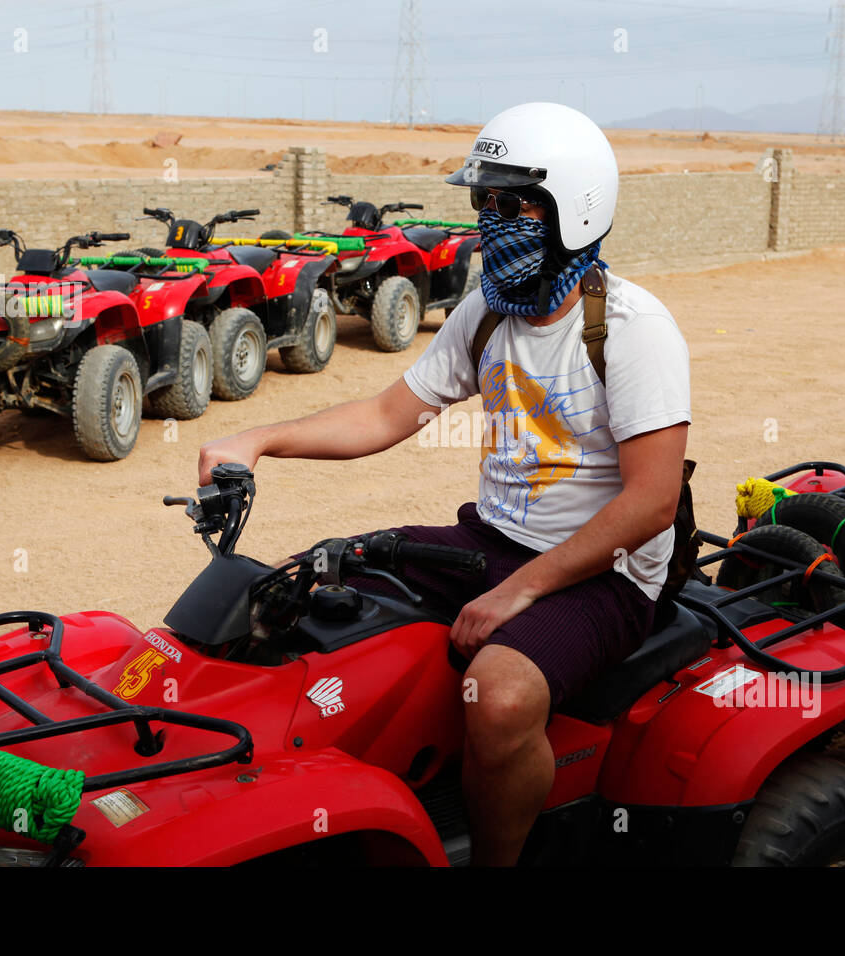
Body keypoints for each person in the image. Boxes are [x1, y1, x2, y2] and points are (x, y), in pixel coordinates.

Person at [197, 102, 692, 865]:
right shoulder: (487, 312)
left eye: (516, 203)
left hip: (608, 571)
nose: (494, 221)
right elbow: (386, 414)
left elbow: (652, 501)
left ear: (576, 208)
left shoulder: (632, 327)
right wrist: (259, 439)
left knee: (498, 696)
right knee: (313, 588)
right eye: (484, 203)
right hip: (492, 539)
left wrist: (522, 590)